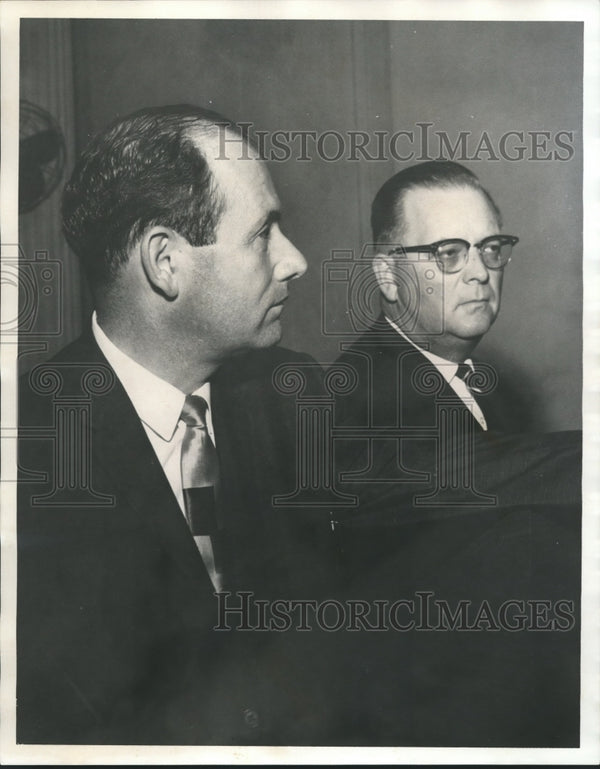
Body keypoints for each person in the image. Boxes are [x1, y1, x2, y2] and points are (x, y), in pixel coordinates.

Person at [17, 105, 335, 745]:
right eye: (263, 232)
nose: (296, 260)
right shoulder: (26, 452)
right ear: (165, 262)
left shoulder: (301, 399)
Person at [328, 161, 582, 746]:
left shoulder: (480, 386)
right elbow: (459, 481)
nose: (479, 273)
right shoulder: (359, 390)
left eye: (490, 248)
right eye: (448, 253)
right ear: (388, 277)